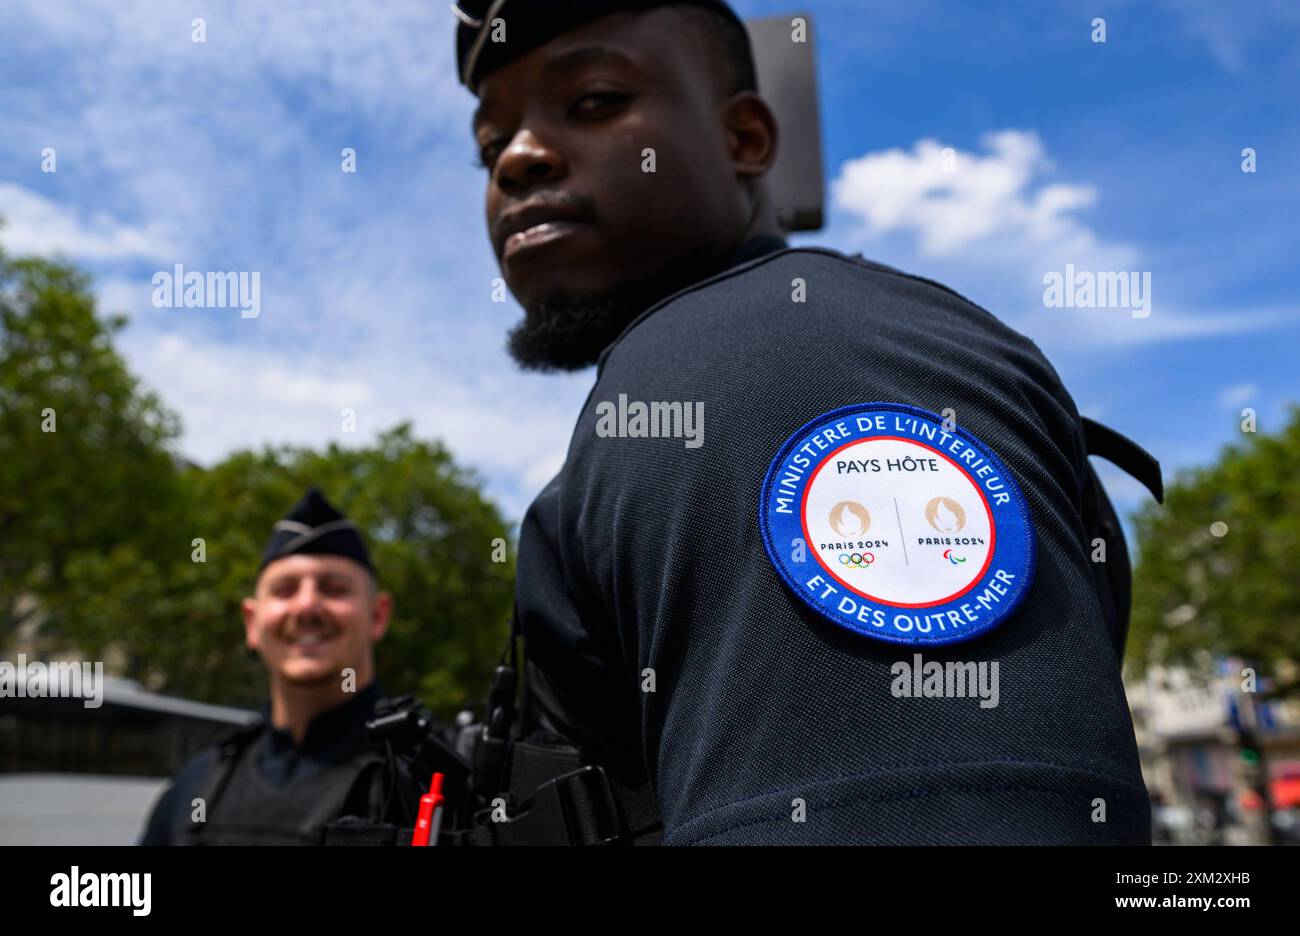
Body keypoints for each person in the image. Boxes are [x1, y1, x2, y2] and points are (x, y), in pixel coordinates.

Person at [455, 0, 1164, 844]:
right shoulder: (692, 371)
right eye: (491, 146)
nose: (519, 160)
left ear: (746, 139)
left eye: (595, 101)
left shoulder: (767, 362)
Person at [140, 488, 402, 844]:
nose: (307, 606)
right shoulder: (193, 786)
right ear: (252, 621)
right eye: (285, 590)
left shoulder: (439, 787)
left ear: (377, 615)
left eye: (334, 588)